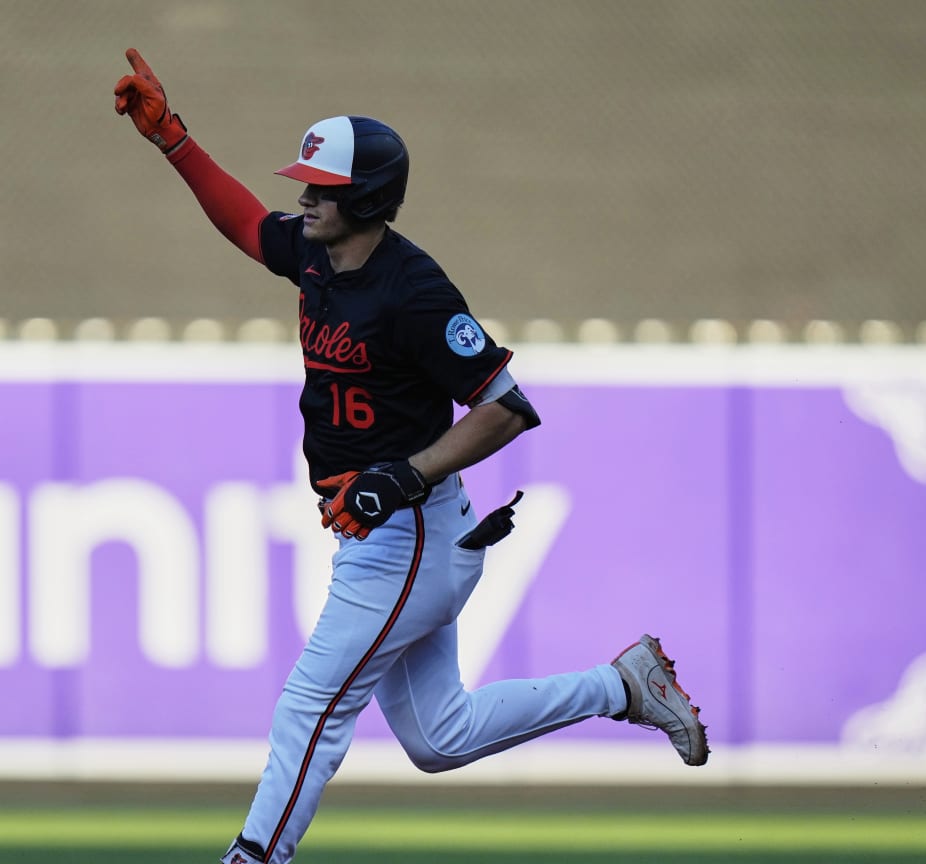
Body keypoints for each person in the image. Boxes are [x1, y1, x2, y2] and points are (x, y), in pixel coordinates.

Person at [113, 48, 709, 864]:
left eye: (320, 187)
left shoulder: (415, 291)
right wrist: (174, 142)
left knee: (310, 705)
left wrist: (405, 474)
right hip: (390, 532)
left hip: (412, 532)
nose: (303, 197)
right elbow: (247, 223)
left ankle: (254, 857)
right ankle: (623, 685)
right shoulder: (318, 254)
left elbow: (507, 408)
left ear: (365, 198)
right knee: (438, 736)